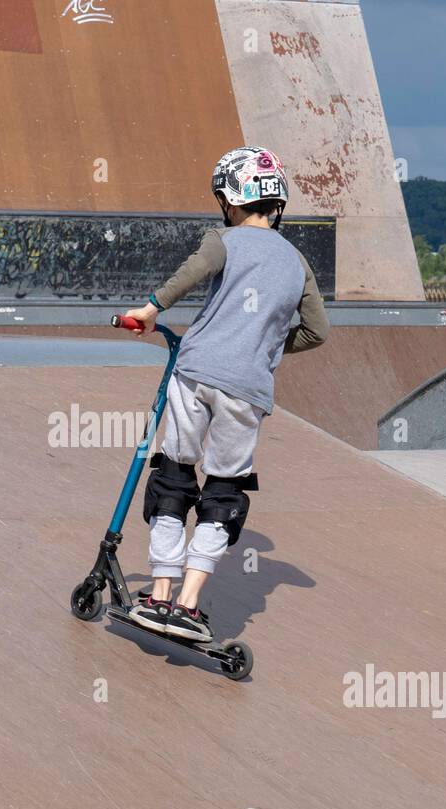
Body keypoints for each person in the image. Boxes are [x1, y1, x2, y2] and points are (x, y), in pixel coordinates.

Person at [121, 147, 329, 642]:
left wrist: (149, 310)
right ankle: (191, 604)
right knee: (224, 488)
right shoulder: (297, 262)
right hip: (248, 390)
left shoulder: (224, 240)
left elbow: (189, 274)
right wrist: (263, 347)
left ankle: (160, 594)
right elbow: (317, 332)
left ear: (231, 200)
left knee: (173, 475)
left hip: (195, 374)